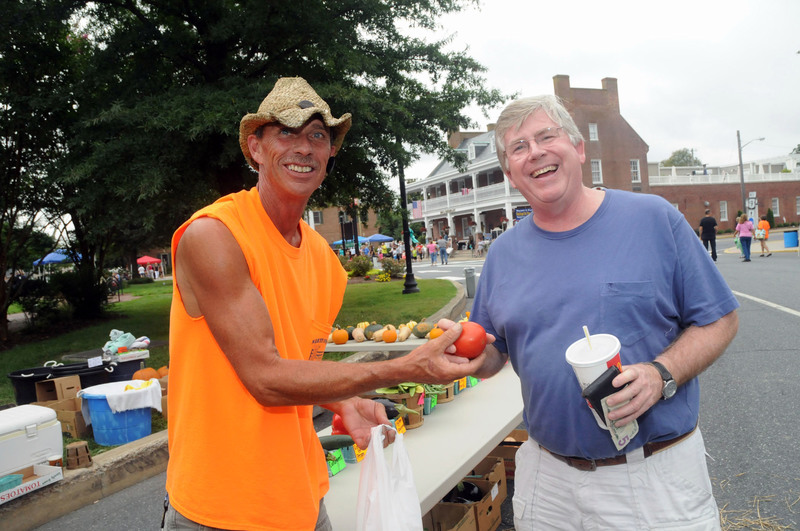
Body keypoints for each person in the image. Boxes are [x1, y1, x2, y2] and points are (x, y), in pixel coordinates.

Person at [163, 77, 489, 530]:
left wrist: (345, 401)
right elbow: (265, 377)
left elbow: (298, 364)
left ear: (330, 154)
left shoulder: (325, 263)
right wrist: (402, 367)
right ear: (255, 148)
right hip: (219, 508)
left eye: (317, 135)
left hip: (303, 499)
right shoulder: (214, 236)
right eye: (286, 133)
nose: (304, 147)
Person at [469, 95, 739, 530]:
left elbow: (720, 318)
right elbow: (493, 353)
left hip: (652, 478)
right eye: (518, 147)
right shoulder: (502, 254)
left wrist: (660, 374)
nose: (534, 152)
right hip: (547, 479)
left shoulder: (653, 219)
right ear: (509, 172)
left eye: (546, 136)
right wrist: (464, 355)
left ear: (578, 149)